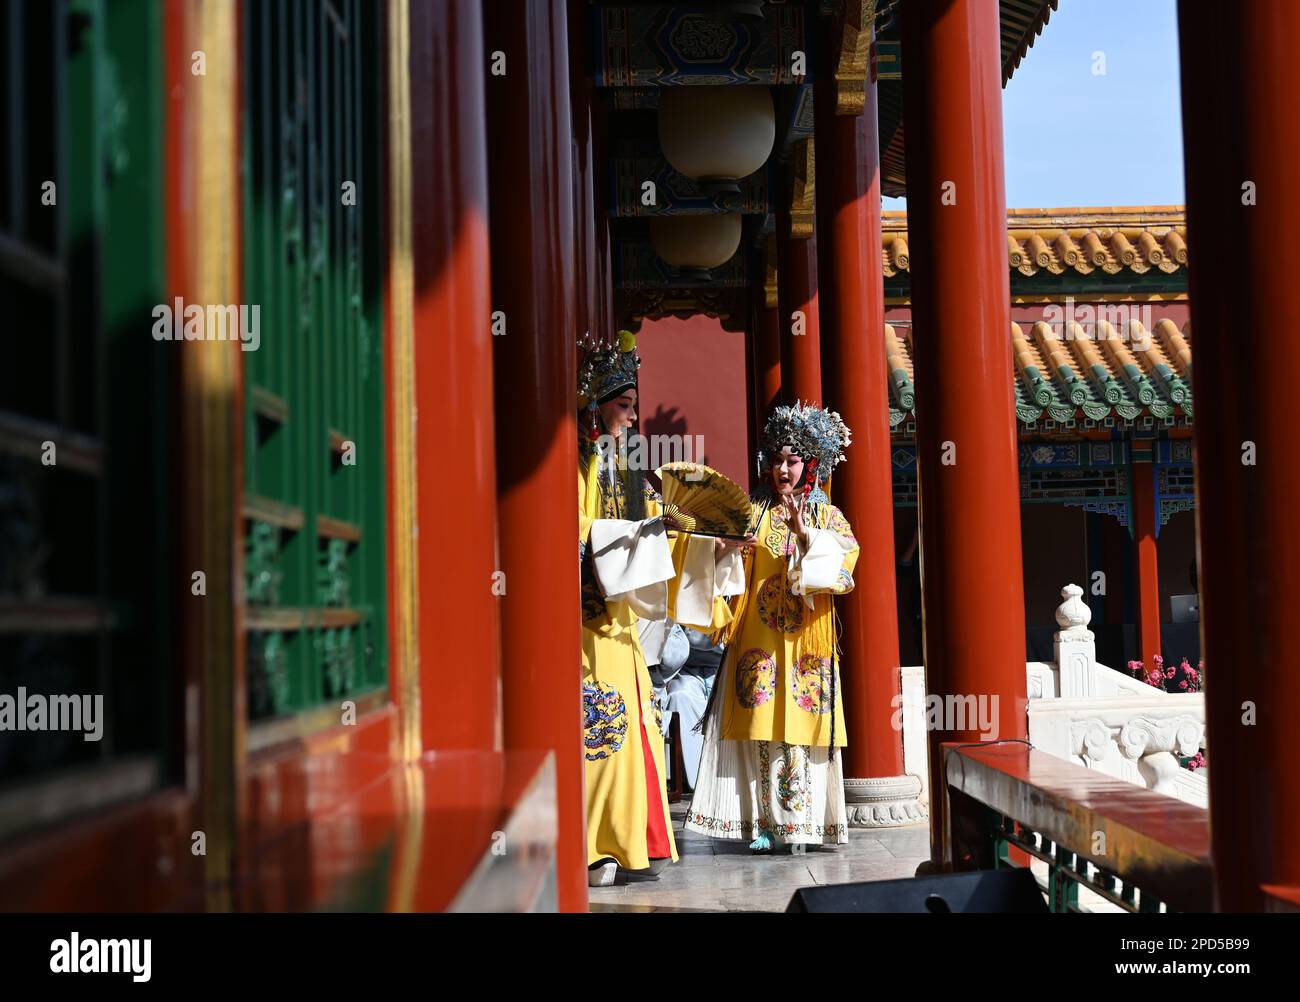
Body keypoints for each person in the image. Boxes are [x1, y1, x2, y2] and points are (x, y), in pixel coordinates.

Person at [577, 331, 743, 886]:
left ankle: (624, 845)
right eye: (622, 407)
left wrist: (708, 544)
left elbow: (659, 530)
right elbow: (576, 534)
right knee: (603, 728)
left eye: (632, 409)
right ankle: (594, 843)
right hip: (587, 624)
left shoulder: (625, 470)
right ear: (595, 402)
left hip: (621, 627)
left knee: (632, 729)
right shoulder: (573, 462)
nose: (629, 420)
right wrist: (644, 533)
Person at [685, 401, 858, 854]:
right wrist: (724, 549)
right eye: (777, 460)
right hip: (758, 642)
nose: (783, 469)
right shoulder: (753, 513)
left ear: (811, 465)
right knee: (763, 727)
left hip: (806, 645)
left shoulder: (828, 518)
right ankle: (765, 822)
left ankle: (803, 825)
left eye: (793, 461)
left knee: (802, 730)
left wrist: (804, 536)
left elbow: (843, 570)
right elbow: (728, 572)